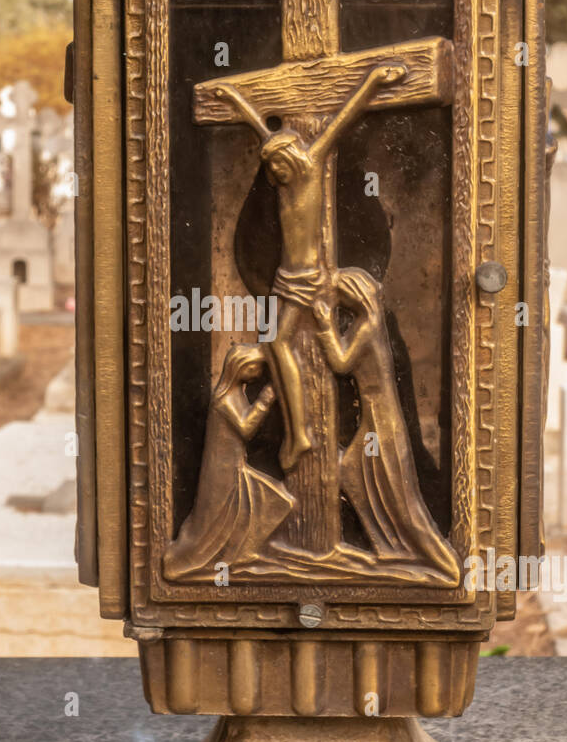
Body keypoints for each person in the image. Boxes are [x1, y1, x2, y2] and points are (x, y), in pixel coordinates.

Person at [209, 62, 405, 470]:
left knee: (281, 344)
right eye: (270, 167)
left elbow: (341, 120)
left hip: (308, 278)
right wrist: (233, 98)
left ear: (294, 157)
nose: (274, 173)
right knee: (276, 345)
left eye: (279, 165)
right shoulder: (281, 174)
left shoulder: (310, 168)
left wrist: (371, 82)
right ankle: (297, 431)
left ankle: (298, 434)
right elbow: (259, 128)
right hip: (287, 278)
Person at [312, 268, 459, 582]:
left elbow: (339, 362)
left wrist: (323, 323)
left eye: (340, 294)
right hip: (376, 414)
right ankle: (386, 547)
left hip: (380, 417)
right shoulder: (371, 323)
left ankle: (406, 549)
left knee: (383, 481)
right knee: (357, 473)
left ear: (354, 296)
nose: (337, 300)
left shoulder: (367, 327)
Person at [163, 344, 294, 581]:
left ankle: (242, 553)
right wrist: (265, 400)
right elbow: (246, 429)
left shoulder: (237, 395)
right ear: (240, 369)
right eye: (255, 368)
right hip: (222, 471)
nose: (258, 372)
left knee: (277, 503)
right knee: (214, 523)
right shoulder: (225, 400)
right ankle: (206, 559)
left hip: (236, 466)